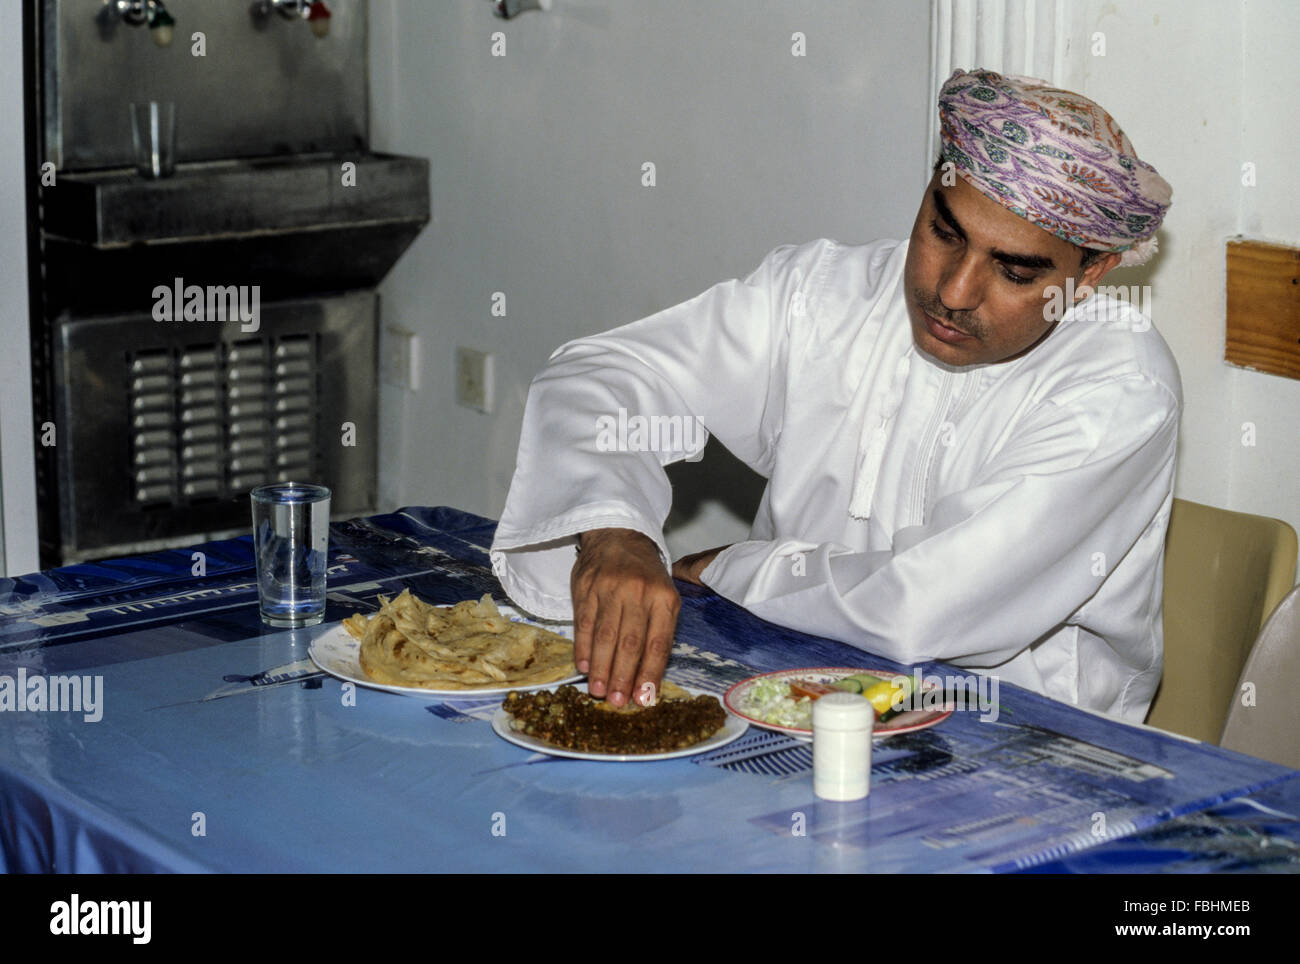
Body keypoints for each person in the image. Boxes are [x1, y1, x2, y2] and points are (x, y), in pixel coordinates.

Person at [489, 69, 1179, 722]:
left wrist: (735, 565)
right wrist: (616, 532)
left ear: (1092, 272)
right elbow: (605, 376)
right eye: (945, 232)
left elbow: (926, 607)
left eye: (1014, 271)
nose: (953, 291)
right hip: (777, 689)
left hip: (1019, 747)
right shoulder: (824, 295)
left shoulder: (1119, 385)